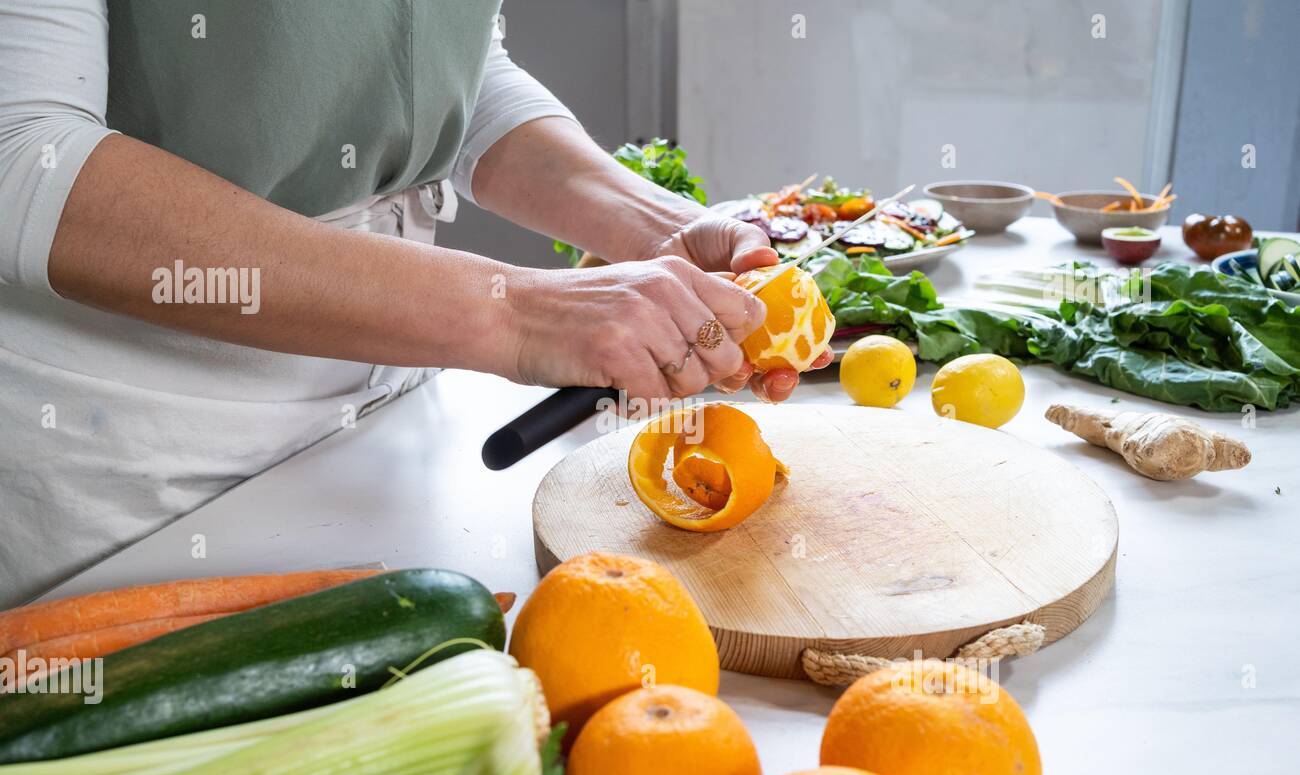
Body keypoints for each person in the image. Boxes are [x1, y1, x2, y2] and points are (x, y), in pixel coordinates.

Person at [0, 1, 829, 608]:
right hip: (137, 458)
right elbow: (22, 155)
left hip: (386, 413)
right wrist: (517, 313)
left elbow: (448, 69)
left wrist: (661, 226)